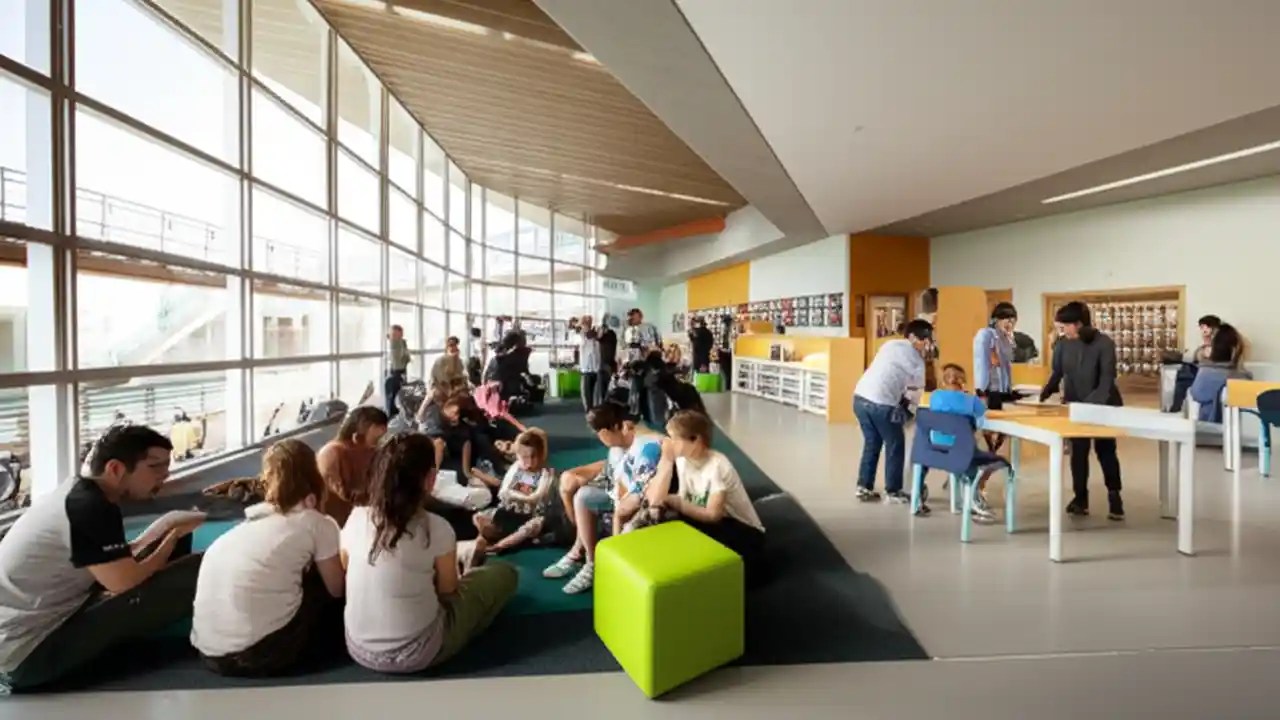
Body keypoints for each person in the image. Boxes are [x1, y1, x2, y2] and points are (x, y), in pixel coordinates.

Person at [0, 425, 205, 691]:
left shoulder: (79, 494)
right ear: (116, 469)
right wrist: (171, 537)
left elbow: (112, 559)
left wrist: (163, 529)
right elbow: (122, 581)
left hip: (16, 647)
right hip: (30, 656)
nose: (165, 475)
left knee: (171, 546)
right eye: (155, 467)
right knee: (201, 567)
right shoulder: (90, 508)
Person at [342, 434, 518, 673]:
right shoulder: (435, 527)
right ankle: (469, 564)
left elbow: (346, 567)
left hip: (358, 649)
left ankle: (464, 555)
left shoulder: (355, 518)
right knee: (505, 574)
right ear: (430, 479)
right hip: (421, 650)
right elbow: (448, 592)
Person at [192, 440, 345, 676]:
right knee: (324, 583)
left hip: (209, 654)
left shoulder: (242, 529)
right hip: (262, 654)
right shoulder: (316, 523)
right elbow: (337, 590)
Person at [543, 403, 663, 594]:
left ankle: (581, 555)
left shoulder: (648, 447)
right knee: (582, 494)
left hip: (637, 505)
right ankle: (590, 561)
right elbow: (615, 473)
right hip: (617, 496)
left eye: (600, 432)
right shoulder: (620, 447)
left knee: (585, 495)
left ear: (615, 427)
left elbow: (637, 494)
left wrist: (618, 519)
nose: (599, 438)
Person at [646, 411, 766, 583]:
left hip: (744, 533)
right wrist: (666, 461)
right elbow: (659, 498)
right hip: (714, 523)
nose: (669, 443)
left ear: (696, 440)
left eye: (674, 438)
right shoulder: (683, 460)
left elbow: (713, 515)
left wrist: (679, 504)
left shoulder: (717, 465)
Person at [1039, 301, 1124, 520]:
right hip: (1076, 406)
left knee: (1105, 451)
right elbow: (1057, 374)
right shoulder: (1062, 345)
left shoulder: (1104, 343)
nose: (1063, 330)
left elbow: (1107, 380)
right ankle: (1080, 498)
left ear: (1078, 324)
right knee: (1078, 453)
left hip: (1103, 406)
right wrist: (1043, 394)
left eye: (1066, 326)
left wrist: (1089, 407)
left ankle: (1114, 497)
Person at [852, 319, 933, 503]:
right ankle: (893, 491)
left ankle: (863, 486)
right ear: (912, 337)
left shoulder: (889, 344)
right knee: (895, 444)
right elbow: (914, 394)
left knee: (872, 443)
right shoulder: (917, 361)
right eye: (923, 339)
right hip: (882, 403)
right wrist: (908, 414)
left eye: (928, 340)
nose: (926, 344)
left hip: (860, 397)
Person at [927, 364, 1006, 522]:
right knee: (989, 455)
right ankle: (975, 492)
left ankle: (959, 479)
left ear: (944, 381)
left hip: (937, 444)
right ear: (962, 381)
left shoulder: (935, 397)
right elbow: (983, 422)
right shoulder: (972, 401)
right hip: (962, 447)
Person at [471, 429, 558, 561]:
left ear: (541, 455)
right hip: (508, 511)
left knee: (534, 525)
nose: (528, 462)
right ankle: (491, 537)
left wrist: (515, 495)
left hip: (532, 515)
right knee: (479, 517)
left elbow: (536, 496)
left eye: (533, 457)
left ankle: (500, 545)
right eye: (524, 457)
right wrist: (512, 496)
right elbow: (503, 490)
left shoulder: (546, 473)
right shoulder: (516, 468)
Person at [317, 406, 388, 527]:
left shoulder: (373, 452)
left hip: (365, 521)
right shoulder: (333, 452)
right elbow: (347, 493)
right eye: (376, 439)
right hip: (337, 525)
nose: (378, 444)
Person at [1188, 323, 1253, 422]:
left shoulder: (1202, 373)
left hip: (1202, 431)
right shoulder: (1241, 380)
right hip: (1232, 433)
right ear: (1235, 350)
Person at [577, 315, 603, 411]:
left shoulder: (596, 335)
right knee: (587, 396)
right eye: (585, 322)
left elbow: (595, 335)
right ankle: (589, 413)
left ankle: (595, 414)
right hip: (586, 371)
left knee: (596, 396)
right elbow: (587, 334)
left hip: (596, 370)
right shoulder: (582, 334)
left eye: (589, 322)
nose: (588, 324)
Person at [385, 325, 412, 418]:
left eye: (400, 335)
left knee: (401, 394)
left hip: (402, 371)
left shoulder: (402, 343)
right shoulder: (393, 345)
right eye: (395, 335)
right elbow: (399, 359)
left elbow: (407, 358)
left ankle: (398, 414)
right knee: (392, 396)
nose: (398, 337)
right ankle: (391, 416)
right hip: (394, 372)